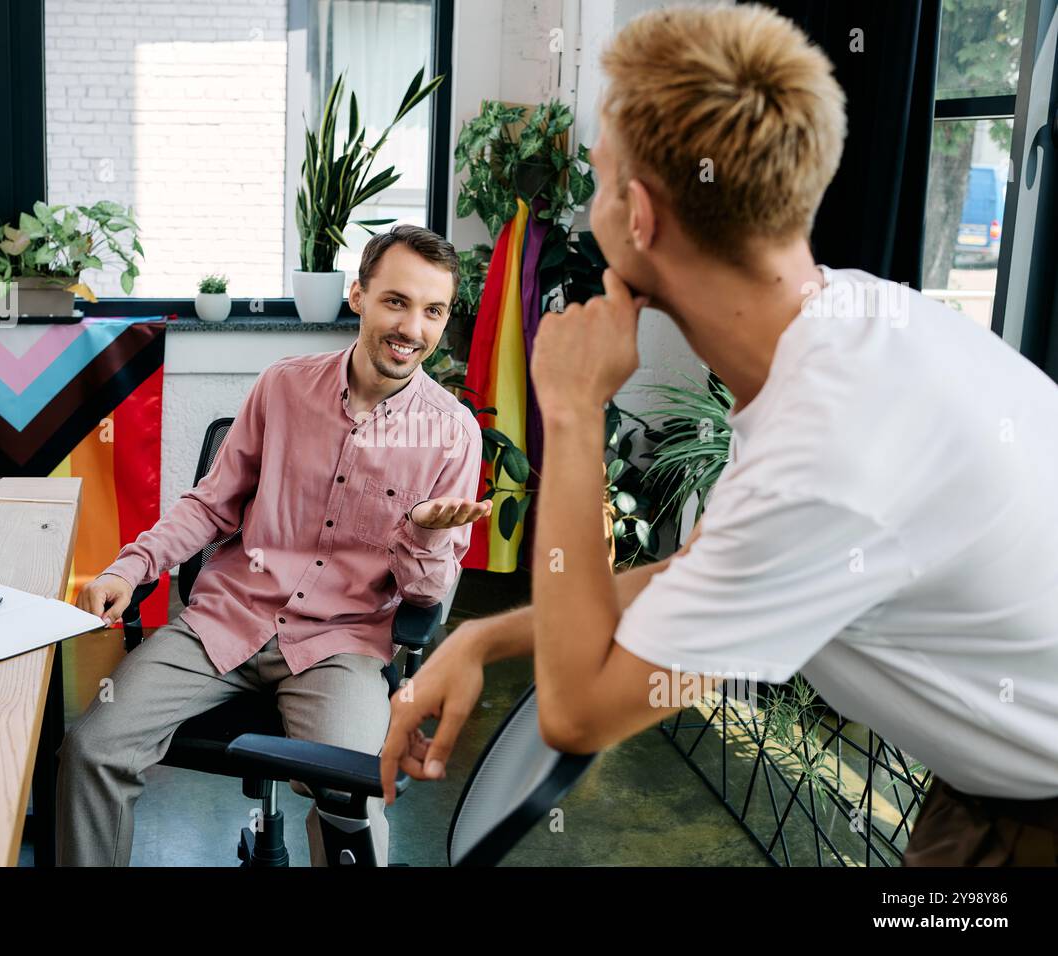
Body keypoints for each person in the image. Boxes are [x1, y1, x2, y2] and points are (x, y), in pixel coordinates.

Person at [380, 4, 1058, 866]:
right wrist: (485, 635)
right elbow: (702, 571)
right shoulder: (846, 317)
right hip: (991, 789)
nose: (588, 206)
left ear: (642, 216)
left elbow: (579, 710)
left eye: (596, 182)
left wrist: (575, 411)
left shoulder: (826, 451)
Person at [59, 224, 487, 866]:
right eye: (396, 301)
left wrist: (425, 535)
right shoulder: (283, 386)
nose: (412, 329)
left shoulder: (453, 434)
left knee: (353, 801)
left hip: (340, 646)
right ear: (358, 296)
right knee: (92, 751)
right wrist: (134, 565)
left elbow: (427, 598)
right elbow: (211, 503)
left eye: (433, 311)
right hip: (226, 621)